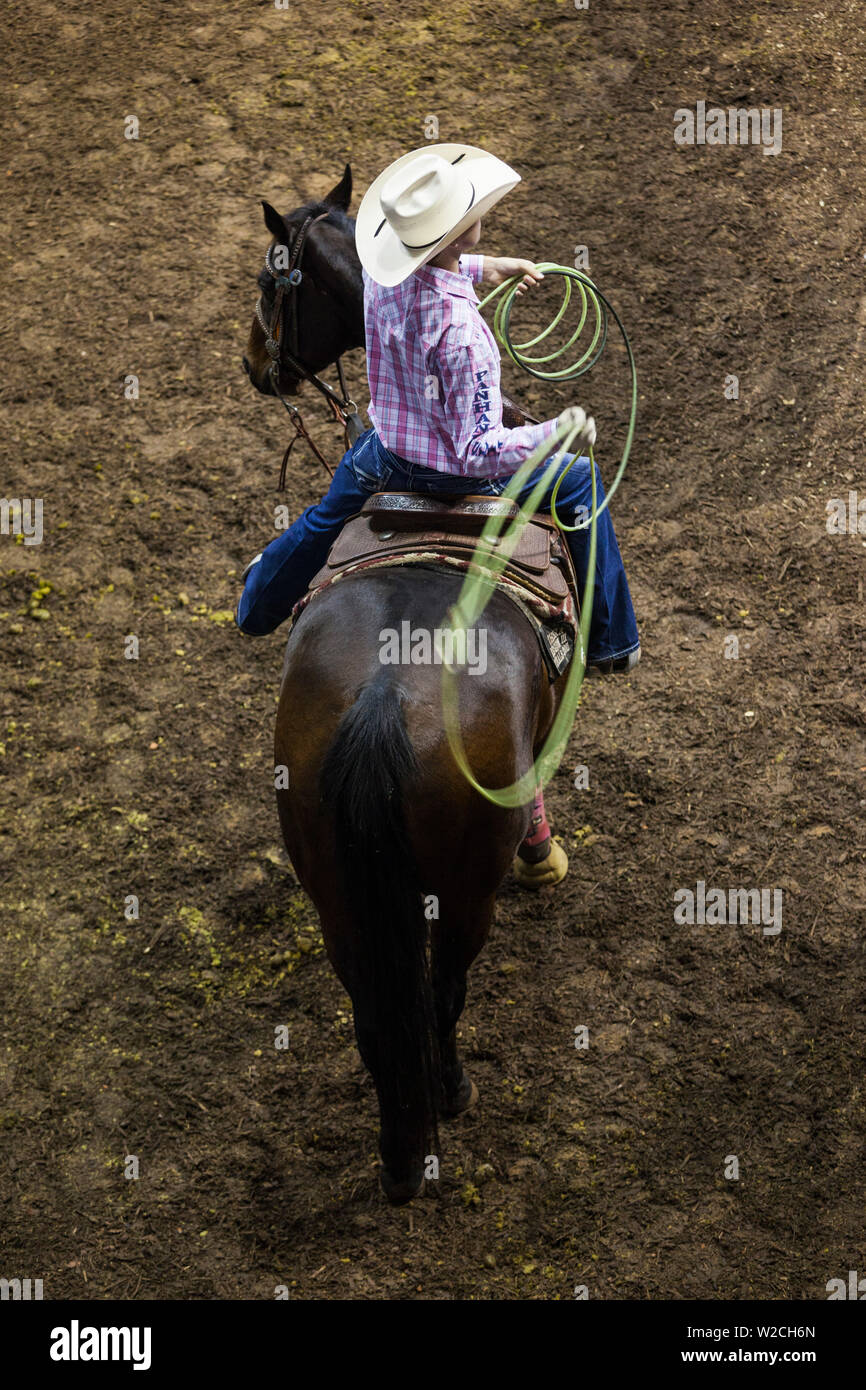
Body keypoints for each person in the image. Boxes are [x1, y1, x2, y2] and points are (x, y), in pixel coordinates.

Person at [236, 142, 640, 678]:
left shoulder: (379, 279)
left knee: (326, 517)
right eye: (470, 213)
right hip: (453, 477)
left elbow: (428, 270)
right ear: (456, 232)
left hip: (386, 456)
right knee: (581, 479)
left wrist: (486, 267)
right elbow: (477, 453)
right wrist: (554, 433)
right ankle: (613, 641)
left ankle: (258, 601)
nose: (481, 213)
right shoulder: (462, 337)